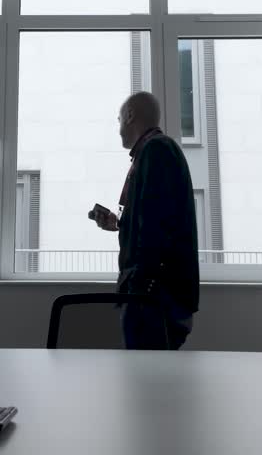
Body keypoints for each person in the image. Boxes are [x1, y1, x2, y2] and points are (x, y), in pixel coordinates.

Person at [89, 91, 199, 350]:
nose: (118, 127)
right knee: (150, 373)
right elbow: (156, 217)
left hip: (154, 299)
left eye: (119, 119)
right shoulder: (155, 152)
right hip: (157, 296)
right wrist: (119, 224)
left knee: (145, 373)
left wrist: (138, 291)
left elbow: (154, 228)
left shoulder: (156, 151)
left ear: (130, 115)